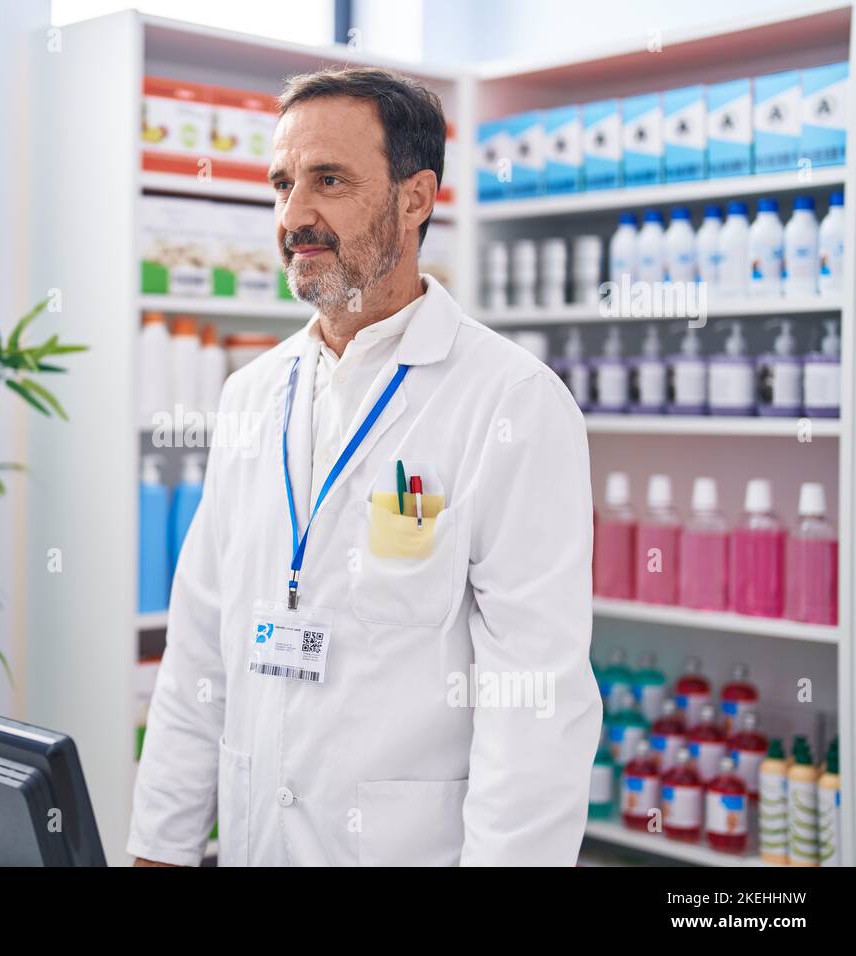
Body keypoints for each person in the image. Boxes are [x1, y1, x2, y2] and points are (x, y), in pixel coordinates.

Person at [128, 67, 600, 866]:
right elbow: (200, 650)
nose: (293, 216)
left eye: (329, 181)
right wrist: (159, 848)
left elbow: (534, 704)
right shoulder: (250, 397)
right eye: (282, 184)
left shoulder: (511, 401)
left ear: (415, 199)